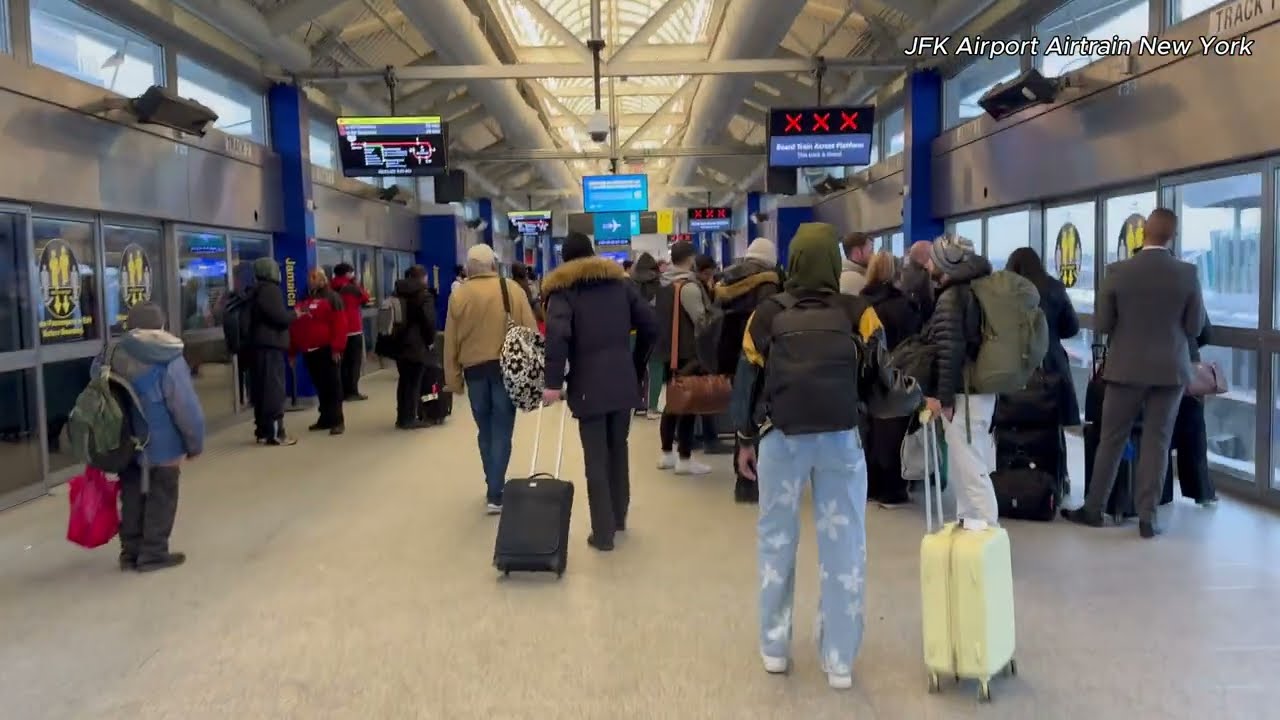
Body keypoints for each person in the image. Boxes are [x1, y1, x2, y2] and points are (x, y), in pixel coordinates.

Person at [731, 222, 893, 690]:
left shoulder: (766, 314)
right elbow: (879, 376)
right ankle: (839, 659)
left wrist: (745, 439)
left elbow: (746, 381)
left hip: (781, 439)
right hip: (840, 439)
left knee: (776, 540)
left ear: (794, 261)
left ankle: (774, 648)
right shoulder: (859, 312)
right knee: (845, 545)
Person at [1063, 208, 1205, 538]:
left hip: (1125, 369)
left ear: (1143, 233)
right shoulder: (1187, 273)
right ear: (1172, 236)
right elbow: (1194, 326)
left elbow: (1103, 324)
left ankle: (1094, 509)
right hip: (1170, 370)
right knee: (1157, 442)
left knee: (1111, 439)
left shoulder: (1117, 271)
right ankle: (1147, 518)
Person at [542, 233, 658, 551]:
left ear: (565, 260)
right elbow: (651, 325)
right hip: (622, 379)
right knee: (618, 449)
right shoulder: (621, 285)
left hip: (587, 385)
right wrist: (635, 364)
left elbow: (557, 335)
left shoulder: (564, 291)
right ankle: (618, 518)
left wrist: (553, 382)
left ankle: (603, 533)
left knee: (595, 458)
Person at [97, 302, 205, 572]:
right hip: (162, 443)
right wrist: (194, 443)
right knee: (162, 495)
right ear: (161, 325)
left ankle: (130, 553)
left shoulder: (110, 354)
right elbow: (185, 407)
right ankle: (154, 553)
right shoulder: (169, 356)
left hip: (124, 439)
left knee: (132, 493)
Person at [444, 243, 539, 514]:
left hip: (474, 372)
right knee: (502, 429)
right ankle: (495, 492)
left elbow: (450, 341)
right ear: (493, 265)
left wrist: (453, 378)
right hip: (505, 370)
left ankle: (492, 483)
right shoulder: (511, 289)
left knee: (485, 430)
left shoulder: (459, 295)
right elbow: (530, 331)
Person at [921, 234, 997, 528]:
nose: (928, 266)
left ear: (946, 262)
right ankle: (970, 524)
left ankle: (989, 530)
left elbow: (949, 351)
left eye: (933, 259)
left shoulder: (952, 297)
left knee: (970, 467)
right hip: (982, 390)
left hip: (964, 394)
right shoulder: (979, 289)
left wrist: (945, 399)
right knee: (969, 462)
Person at [714, 237, 781, 503]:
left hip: (732, 356)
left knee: (743, 413)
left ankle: (743, 478)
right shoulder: (768, 285)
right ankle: (754, 481)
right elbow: (770, 323)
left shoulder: (727, 281)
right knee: (761, 416)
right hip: (758, 356)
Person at [860, 251, 923, 507]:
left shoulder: (861, 304)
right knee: (895, 429)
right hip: (900, 369)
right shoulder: (906, 305)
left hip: (869, 372)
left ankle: (871, 483)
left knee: (870, 429)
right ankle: (893, 487)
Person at [655, 241, 714, 475]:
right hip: (688, 353)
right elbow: (702, 322)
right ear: (691, 259)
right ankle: (685, 458)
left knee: (672, 402)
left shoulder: (662, 285)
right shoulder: (688, 287)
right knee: (689, 405)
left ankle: (667, 454)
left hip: (667, 352)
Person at [1005, 247, 1082, 427]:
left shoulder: (1005, 292)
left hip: (1014, 366)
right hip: (1051, 363)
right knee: (1052, 424)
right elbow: (1072, 327)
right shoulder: (1054, 287)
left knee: (1016, 422)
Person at [290, 268, 347, 435]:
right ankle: (325, 418)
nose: (311, 280)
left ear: (323, 280)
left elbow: (340, 324)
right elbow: (296, 327)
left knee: (333, 386)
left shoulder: (332, 298)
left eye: (314, 277)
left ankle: (337, 420)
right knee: (320, 386)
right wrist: (292, 351)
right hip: (310, 351)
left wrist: (337, 348)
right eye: (310, 277)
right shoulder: (304, 299)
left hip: (327, 350)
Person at [247, 257, 296, 446]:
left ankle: (262, 430)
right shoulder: (270, 290)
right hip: (271, 347)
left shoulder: (255, 290)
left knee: (261, 390)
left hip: (257, 346)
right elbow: (280, 318)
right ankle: (276, 433)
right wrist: (294, 314)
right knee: (274, 390)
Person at [1172, 318, 1216, 506]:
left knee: (1155, 431)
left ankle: (1158, 493)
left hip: (1152, 366)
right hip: (1188, 365)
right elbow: (1205, 333)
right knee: (1193, 430)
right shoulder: (1190, 296)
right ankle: (1202, 491)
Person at [393, 265, 438, 429]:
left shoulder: (397, 292)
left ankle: (401, 416)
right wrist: (430, 340)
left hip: (398, 342)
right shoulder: (424, 295)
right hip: (417, 344)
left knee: (404, 381)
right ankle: (409, 418)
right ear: (423, 277)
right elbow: (428, 321)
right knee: (414, 382)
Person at [693, 253, 730, 454]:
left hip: (702, 349)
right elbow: (703, 322)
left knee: (702, 395)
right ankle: (708, 439)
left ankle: (705, 437)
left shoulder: (703, 287)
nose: (711, 276)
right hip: (700, 349)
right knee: (703, 395)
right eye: (708, 273)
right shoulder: (694, 288)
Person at [330, 263, 371, 402]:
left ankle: (341, 391)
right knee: (354, 363)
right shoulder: (352, 287)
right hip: (353, 329)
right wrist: (356, 284)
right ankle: (352, 392)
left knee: (341, 363)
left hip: (337, 330)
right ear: (347, 273)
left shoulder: (330, 286)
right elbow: (366, 298)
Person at [630, 252, 663, 416]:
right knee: (655, 368)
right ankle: (652, 407)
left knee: (636, 368)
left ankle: (636, 404)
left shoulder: (630, 285)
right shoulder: (660, 285)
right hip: (653, 331)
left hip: (632, 332)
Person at [900, 240, 936, 319]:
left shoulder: (904, 273)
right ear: (923, 256)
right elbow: (928, 305)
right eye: (932, 254)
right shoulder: (924, 276)